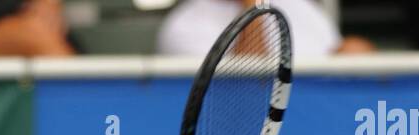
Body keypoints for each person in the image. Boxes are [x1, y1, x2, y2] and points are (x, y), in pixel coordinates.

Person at [156, 0, 375, 58]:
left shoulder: (304, 8)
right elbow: (247, 92)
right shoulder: (182, 26)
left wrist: (351, 54)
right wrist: (252, 3)